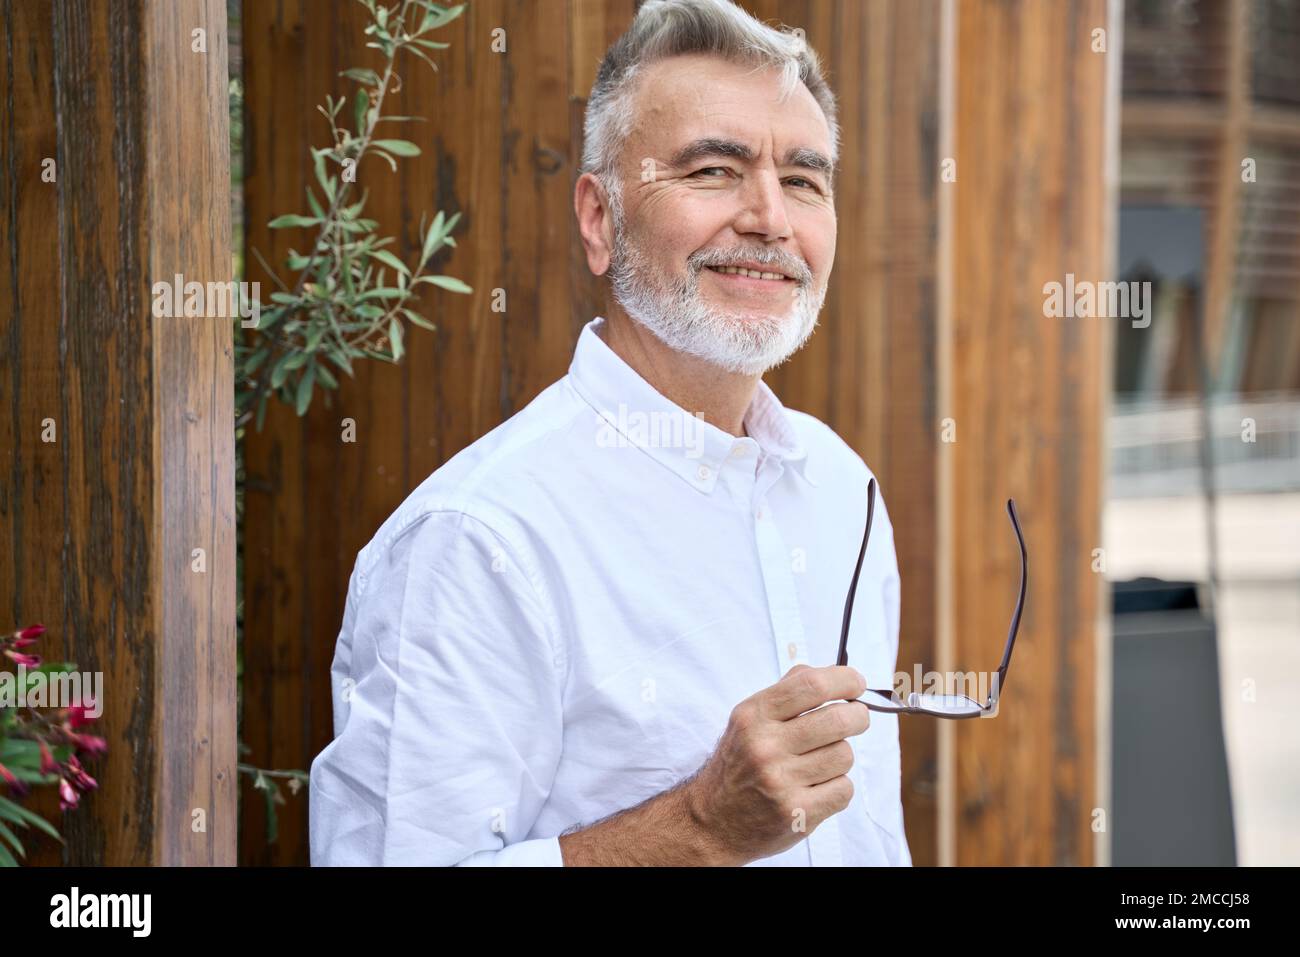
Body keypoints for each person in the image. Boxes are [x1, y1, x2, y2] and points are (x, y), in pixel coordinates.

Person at [309, 0, 911, 867]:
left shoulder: (841, 488)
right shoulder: (475, 540)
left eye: (806, 181)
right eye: (713, 169)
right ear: (601, 219)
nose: (771, 218)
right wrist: (701, 826)